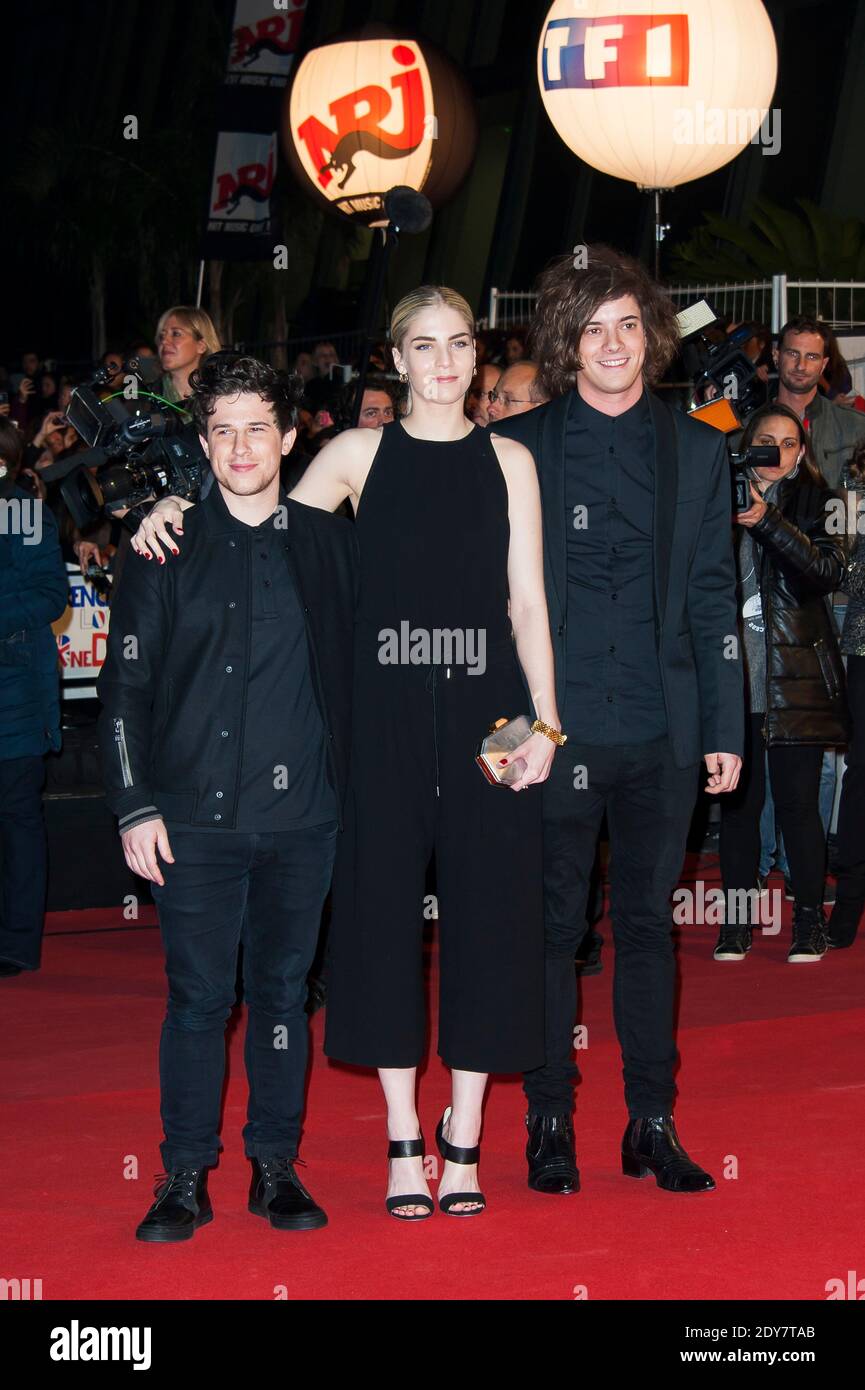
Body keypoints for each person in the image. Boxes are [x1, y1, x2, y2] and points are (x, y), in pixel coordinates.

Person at [131, 286, 560, 1221]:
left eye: (457, 344)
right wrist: (169, 499)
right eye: (422, 345)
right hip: (379, 717)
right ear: (396, 357)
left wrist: (545, 724)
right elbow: (254, 513)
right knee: (377, 927)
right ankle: (403, 1138)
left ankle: (463, 1135)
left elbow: (526, 603)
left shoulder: (512, 458)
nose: (443, 361)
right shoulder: (357, 453)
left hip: (493, 719)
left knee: (489, 923)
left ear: (474, 357)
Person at [492, 244, 744, 1197]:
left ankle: (651, 1120)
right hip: (555, 731)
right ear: (566, 341)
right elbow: (493, 600)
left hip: (661, 730)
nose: (612, 343)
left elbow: (715, 601)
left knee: (647, 928)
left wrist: (725, 729)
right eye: (591, 327)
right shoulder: (522, 444)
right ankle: (547, 1119)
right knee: (552, 930)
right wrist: (506, 732)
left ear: (651, 335)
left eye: (627, 325)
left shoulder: (697, 446)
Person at [97, 356, 357, 1242]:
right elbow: (123, 689)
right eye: (223, 430)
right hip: (192, 826)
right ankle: (182, 1174)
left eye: (258, 428)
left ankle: (274, 1166)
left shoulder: (329, 544)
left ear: (288, 437)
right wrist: (134, 803)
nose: (241, 447)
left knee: (283, 1000)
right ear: (202, 443)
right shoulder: (163, 543)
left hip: (304, 822)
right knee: (198, 1000)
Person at [714, 404, 848, 964]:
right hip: (733, 677)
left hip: (794, 678)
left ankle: (810, 922)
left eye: (787, 443)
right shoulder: (716, 494)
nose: (775, 452)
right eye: (764, 441)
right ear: (747, 444)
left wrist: (768, 521)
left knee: (797, 805)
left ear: (801, 451)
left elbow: (826, 572)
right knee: (740, 810)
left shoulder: (821, 499)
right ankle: (737, 923)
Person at [0, 418, 69, 978]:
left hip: (14, 691)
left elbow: (49, 596)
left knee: (17, 816)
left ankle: (17, 945)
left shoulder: (22, 510)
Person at [828, 439, 865, 948]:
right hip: (864, 648)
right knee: (861, 773)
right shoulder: (852, 499)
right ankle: (852, 893)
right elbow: (842, 575)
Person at [155, 306, 221, 405]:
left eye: (176, 334)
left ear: (201, 346)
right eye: (162, 336)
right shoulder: (145, 398)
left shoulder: (221, 395)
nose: (164, 341)